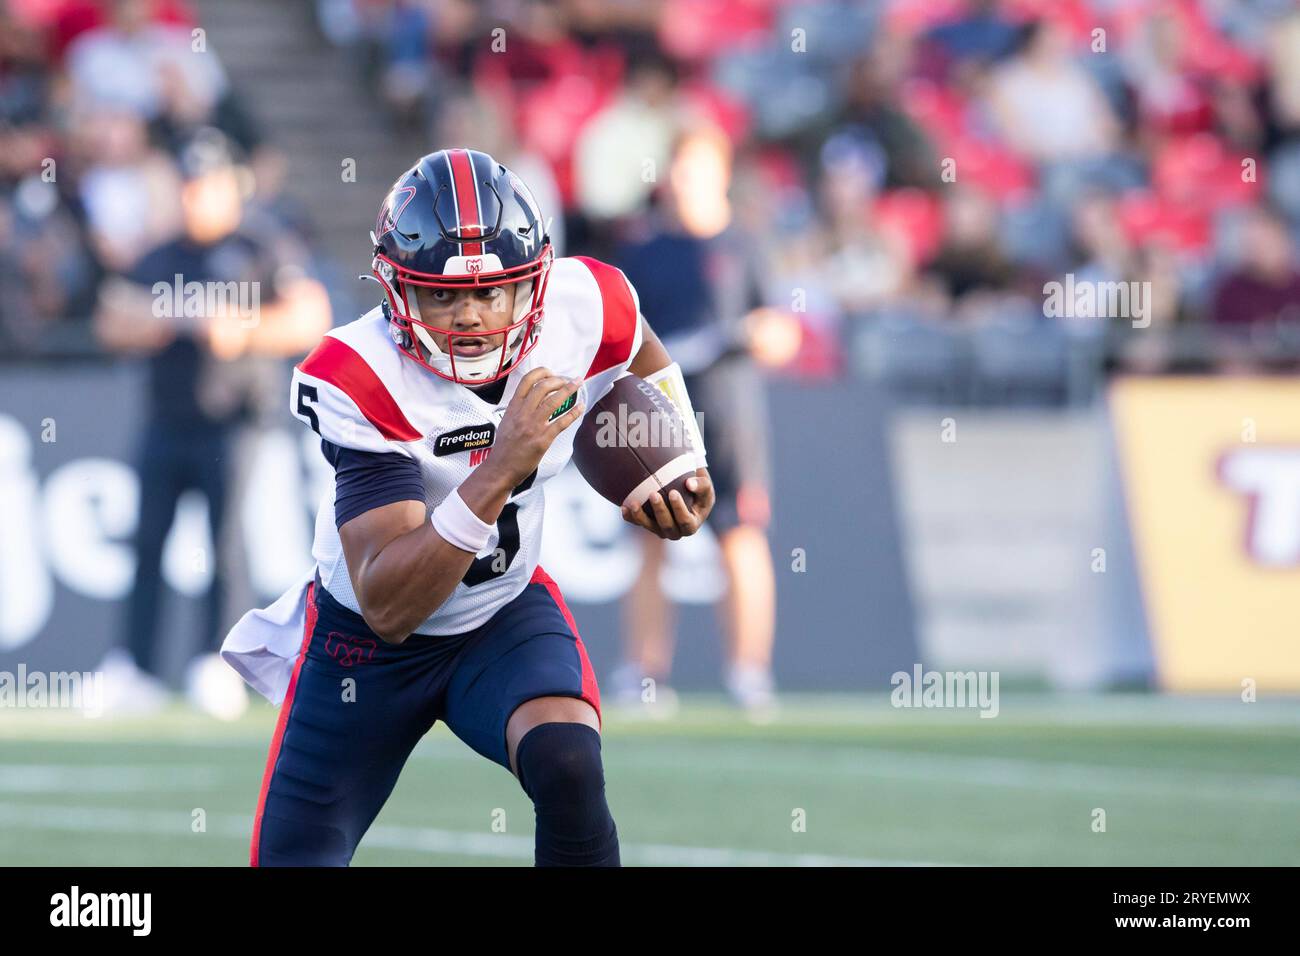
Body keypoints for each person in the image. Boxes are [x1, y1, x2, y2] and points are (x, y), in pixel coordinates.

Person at [221, 148, 716, 867]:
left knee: (569, 761)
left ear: (537, 284)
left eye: (493, 293)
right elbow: (390, 605)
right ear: (395, 290)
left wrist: (681, 456)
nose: (473, 318)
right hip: (364, 650)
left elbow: (638, 347)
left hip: (499, 615)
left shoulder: (584, 303)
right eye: (443, 296)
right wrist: (500, 467)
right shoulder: (361, 373)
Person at [94, 133, 330, 719]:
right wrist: (161, 322)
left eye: (206, 185)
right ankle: (136, 666)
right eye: (188, 185)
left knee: (224, 543)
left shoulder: (260, 245)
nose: (196, 197)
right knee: (147, 541)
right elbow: (112, 317)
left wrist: (243, 330)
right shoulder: (162, 253)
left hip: (233, 422)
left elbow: (310, 316)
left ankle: (216, 663)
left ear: (229, 186)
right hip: (166, 418)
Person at [611, 131, 778, 720]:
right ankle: (645, 673)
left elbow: (781, 330)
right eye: (676, 169)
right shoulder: (646, 251)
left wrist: (751, 336)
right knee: (653, 539)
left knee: (740, 536)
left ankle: (749, 673)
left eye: (693, 169)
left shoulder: (745, 244)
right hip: (658, 416)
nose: (681, 182)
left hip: (730, 416)